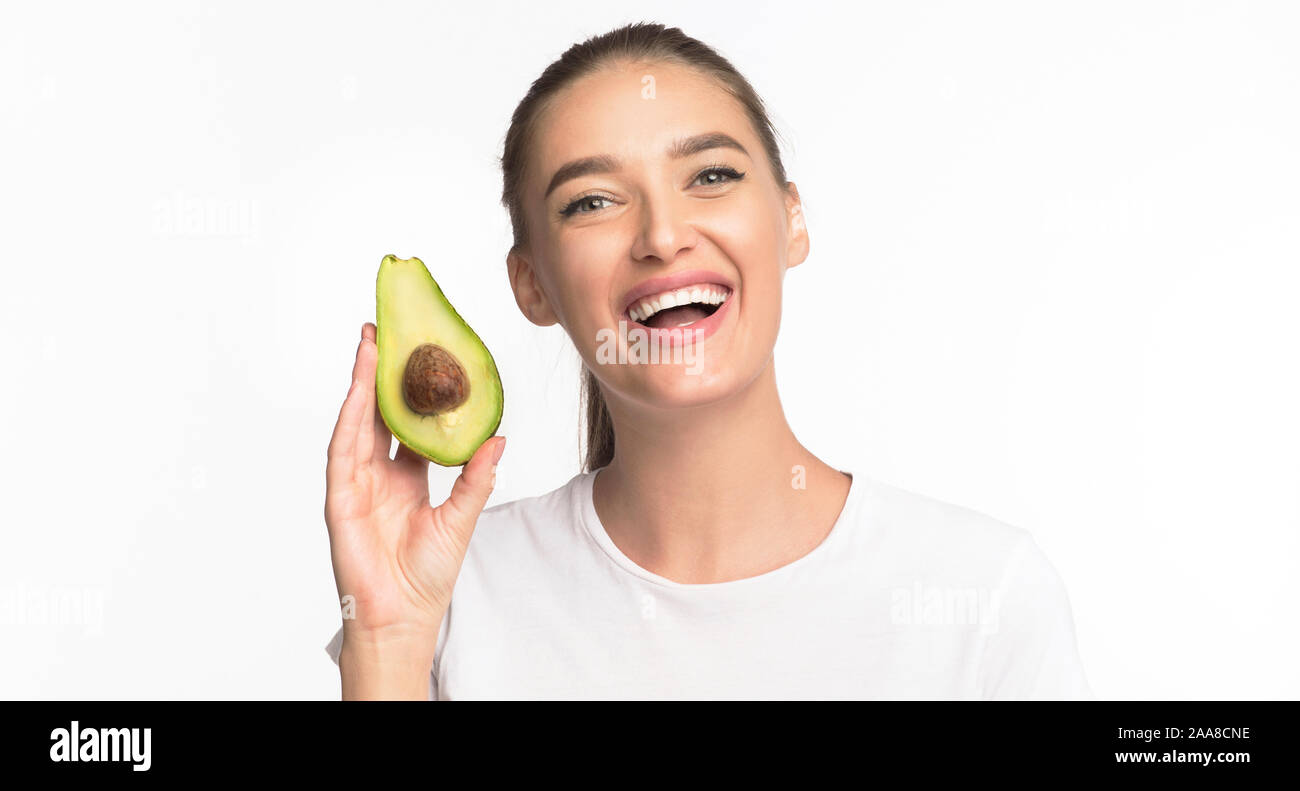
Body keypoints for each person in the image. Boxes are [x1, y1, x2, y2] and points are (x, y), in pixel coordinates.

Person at [322, 22, 1094, 700]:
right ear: (532, 284)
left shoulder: (983, 597)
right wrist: (387, 644)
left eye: (711, 176)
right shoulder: (455, 593)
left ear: (791, 220)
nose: (663, 233)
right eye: (592, 200)